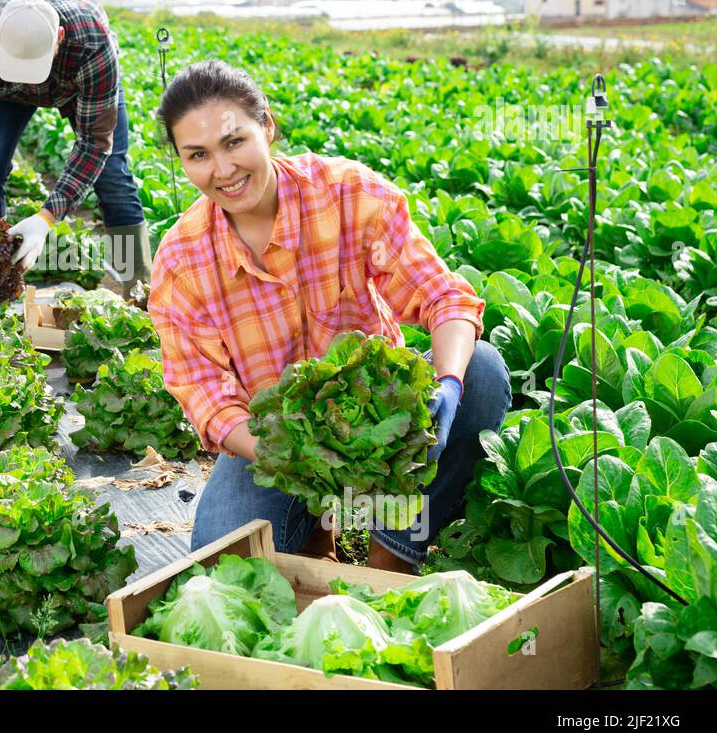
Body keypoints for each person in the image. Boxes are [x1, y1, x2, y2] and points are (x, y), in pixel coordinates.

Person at [147, 60, 511, 574]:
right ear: (181, 161)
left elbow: (444, 297)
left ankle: (394, 551)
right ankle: (317, 534)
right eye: (198, 155)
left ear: (267, 126)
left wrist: (448, 384)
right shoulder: (182, 261)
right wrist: (298, 460)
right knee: (224, 566)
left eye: (235, 142)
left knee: (484, 373)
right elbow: (206, 396)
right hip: (274, 441)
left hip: (383, 422)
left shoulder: (346, 193)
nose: (223, 170)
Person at [0, 0, 150, 297]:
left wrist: (45, 219)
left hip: (76, 80)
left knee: (113, 179)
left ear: (59, 37)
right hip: (4, 90)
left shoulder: (93, 43)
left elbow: (95, 143)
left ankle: (141, 288)